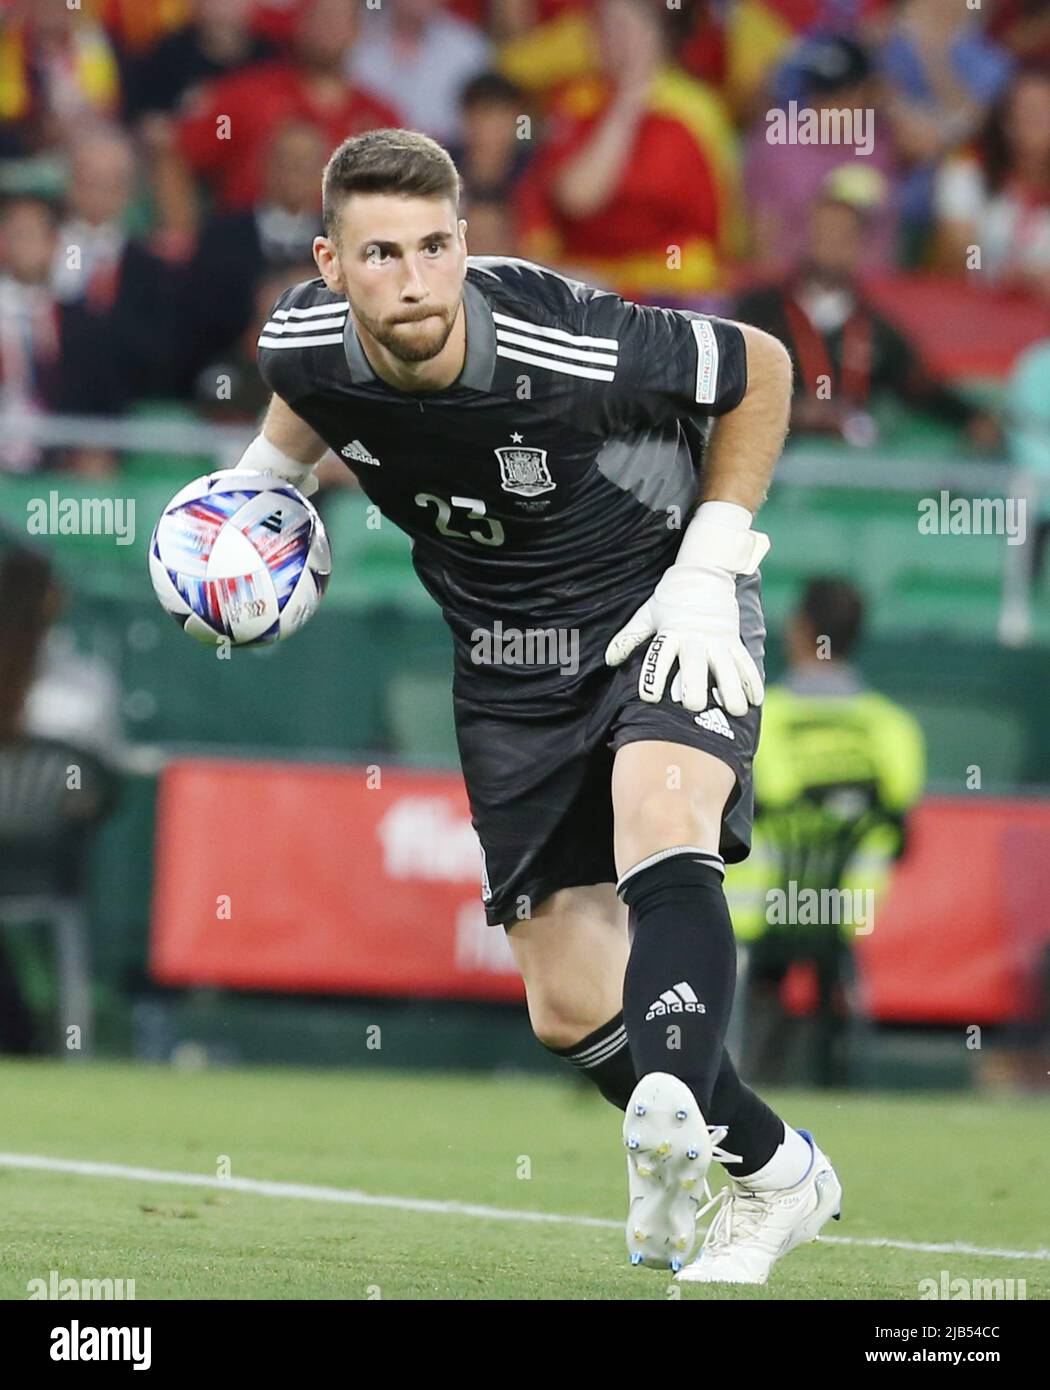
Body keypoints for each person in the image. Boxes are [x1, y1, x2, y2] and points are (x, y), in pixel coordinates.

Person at [239, 125, 842, 1285]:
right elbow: (284, 439)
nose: (411, 280)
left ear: (465, 244)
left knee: (663, 819)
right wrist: (242, 506)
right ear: (328, 266)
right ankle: (774, 1173)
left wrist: (713, 567)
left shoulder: (565, 334)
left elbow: (761, 366)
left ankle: (667, 1100)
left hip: (661, 601)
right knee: (568, 1004)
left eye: (432, 248)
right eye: (378, 257)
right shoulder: (299, 346)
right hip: (508, 658)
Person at [725, 578, 926, 1088]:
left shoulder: (757, 715)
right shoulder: (894, 729)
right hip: (845, 916)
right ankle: (835, 1068)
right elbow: (899, 838)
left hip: (754, 913)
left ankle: (742, 1071)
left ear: (800, 631)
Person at [736, 193, 999, 447]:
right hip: (776, 464)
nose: (827, 244)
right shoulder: (758, 314)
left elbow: (921, 386)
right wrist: (793, 409)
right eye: (820, 232)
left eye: (841, 236)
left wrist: (972, 418)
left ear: (859, 246)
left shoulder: (875, 329)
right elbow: (729, 381)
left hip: (848, 470)